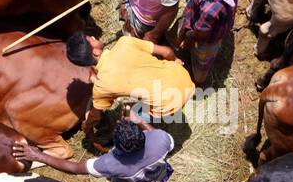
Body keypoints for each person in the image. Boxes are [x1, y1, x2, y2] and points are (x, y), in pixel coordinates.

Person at [13, 109, 175, 182]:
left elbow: (75, 168)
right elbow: (156, 134)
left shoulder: (109, 163)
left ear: (116, 146)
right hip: (159, 178)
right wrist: (139, 121)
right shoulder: (161, 139)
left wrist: (39, 156)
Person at [67, 32, 196, 141]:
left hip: (170, 103)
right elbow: (167, 51)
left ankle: (157, 140)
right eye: (92, 39)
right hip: (184, 77)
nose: (94, 37)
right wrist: (174, 61)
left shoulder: (101, 87)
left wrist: (86, 125)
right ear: (95, 52)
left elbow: (95, 116)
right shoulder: (125, 42)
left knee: (127, 113)